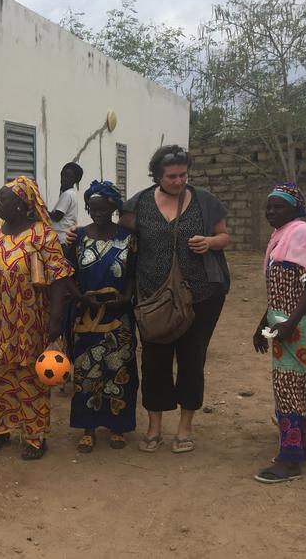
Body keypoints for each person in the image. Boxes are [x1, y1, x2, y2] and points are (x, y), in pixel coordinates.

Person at [119, 145, 230, 454]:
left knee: (192, 361)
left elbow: (224, 236)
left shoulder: (206, 202)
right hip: (153, 297)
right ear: (157, 176)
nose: (179, 181)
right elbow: (116, 236)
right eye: (171, 176)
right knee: (154, 362)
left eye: (183, 175)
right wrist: (77, 234)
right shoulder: (139, 203)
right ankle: (154, 428)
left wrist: (210, 242)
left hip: (200, 296)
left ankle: (184, 428)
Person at [0, 176, 74, 460]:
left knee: (28, 376)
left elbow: (59, 276)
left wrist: (56, 319)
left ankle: (34, 436)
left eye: (4, 200)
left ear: (22, 205)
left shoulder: (43, 235)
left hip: (28, 319)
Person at [252, 183, 306, 483]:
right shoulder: (281, 238)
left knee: (289, 389)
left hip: (299, 328)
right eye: (269, 206)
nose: (271, 211)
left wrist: (289, 323)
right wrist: (262, 323)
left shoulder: (302, 234)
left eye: (279, 206)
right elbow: (279, 289)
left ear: (295, 208)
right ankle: (303, 445)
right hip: (283, 325)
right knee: (294, 388)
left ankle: (289, 461)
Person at [65, 180, 138, 452]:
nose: (97, 214)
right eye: (92, 209)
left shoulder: (128, 236)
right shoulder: (79, 236)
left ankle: (117, 426)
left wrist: (126, 296)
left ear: (113, 208)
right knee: (86, 372)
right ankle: (88, 428)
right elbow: (67, 271)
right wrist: (80, 296)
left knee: (119, 369)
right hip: (86, 315)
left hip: (119, 317)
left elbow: (132, 273)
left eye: (103, 210)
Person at [50, 162, 84, 243]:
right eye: (64, 175)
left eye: (70, 177)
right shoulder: (70, 193)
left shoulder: (68, 194)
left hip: (62, 238)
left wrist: (41, 209)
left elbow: (57, 217)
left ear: (75, 180)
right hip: (65, 237)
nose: (65, 179)